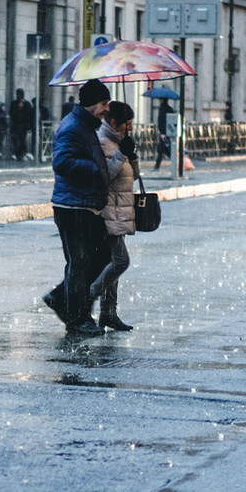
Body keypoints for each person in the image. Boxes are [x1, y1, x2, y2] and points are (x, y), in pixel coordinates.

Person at [43, 78, 112, 335]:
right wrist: (95, 169)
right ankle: (77, 319)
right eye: (104, 103)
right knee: (81, 263)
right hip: (72, 207)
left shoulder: (87, 126)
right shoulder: (73, 127)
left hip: (85, 205)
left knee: (101, 257)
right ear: (92, 103)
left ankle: (61, 299)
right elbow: (61, 162)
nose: (107, 109)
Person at [90, 101, 138, 332]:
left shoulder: (121, 143)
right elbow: (103, 177)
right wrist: (121, 154)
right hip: (108, 212)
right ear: (113, 123)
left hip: (122, 211)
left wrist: (132, 155)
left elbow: (134, 177)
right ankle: (87, 296)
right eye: (126, 125)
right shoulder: (101, 142)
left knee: (113, 265)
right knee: (121, 262)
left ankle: (108, 313)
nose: (129, 129)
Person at [9, 88, 34, 161]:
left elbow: (29, 115)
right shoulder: (14, 103)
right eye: (17, 94)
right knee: (15, 140)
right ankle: (16, 154)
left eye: (20, 94)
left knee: (22, 140)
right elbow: (11, 113)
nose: (18, 96)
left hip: (23, 126)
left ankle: (21, 153)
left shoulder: (26, 103)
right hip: (15, 125)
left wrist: (28, 126)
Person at [153, 97, 173, 170]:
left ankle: (157, 166)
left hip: (164, 132)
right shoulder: (169, 109)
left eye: (160, 100)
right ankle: (157, 166)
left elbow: (162, 122)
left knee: (162, 149)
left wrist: (163, 132)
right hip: (167, 132)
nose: (159, 101)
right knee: (163, 149)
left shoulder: (163, 109)